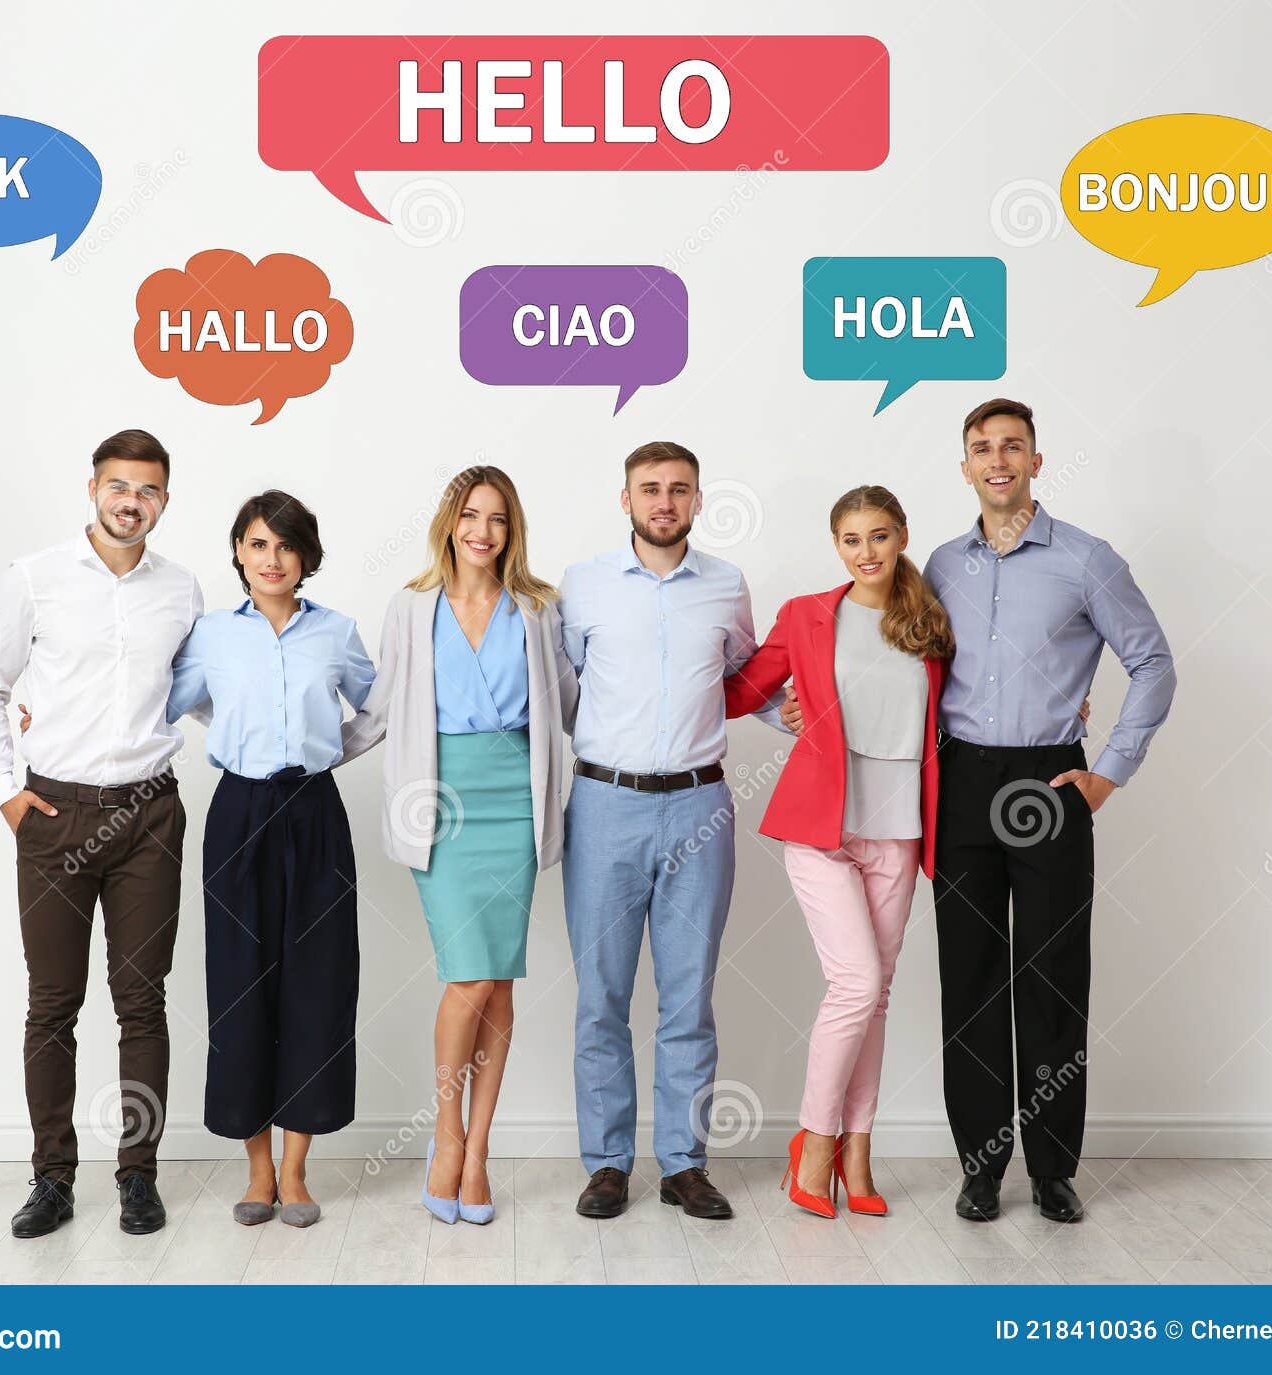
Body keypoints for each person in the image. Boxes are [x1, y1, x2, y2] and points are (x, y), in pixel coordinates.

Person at [923, 398, 1176, 1225]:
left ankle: (1054, 1167)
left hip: (1049, 782)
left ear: (1036, 459)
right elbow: (901, 666)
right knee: (970, 978)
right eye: (981, 448)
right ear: (964, 466)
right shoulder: (938, 565)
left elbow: (1152, 663)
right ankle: (980, 1168)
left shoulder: (1087, 558)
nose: (997, 459)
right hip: (960, 780)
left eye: (1012, 446)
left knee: (1053, 975)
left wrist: (1105, 775)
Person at [0, 428, 201, 1239]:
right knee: (52, 1004)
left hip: (149, 813)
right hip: (55, 815)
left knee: (142, 1001)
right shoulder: (34, 578)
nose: (131, 501)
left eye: (148, 490)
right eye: (118, 486)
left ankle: (139, 1176)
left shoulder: (183, 589)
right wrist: (7, 793)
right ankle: (52, 1179)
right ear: (93, 488)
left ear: (165, 500)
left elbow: (199, 693)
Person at [557, 440, 791, 1221]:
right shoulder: (583, 587)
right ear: (624, 498)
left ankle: (684, 1163)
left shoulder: (726, 585)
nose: (664, 501)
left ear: (698, 500)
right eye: (650, 488)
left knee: (689, 998)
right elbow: (559, 690)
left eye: (679, 489)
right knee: (603, 996)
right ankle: (607, 1163)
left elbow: (745, 676)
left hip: (699, 805)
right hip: (603, 807)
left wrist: (796, 711)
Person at [341, 467, 576, 1225]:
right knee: (469, 977)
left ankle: (477, 1153)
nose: (483, 530)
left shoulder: (540, 608)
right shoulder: (411, 608)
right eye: (471, 515)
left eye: (498, 519)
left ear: (513, 530)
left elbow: (575, 703)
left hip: (515, 797)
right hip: (438, 801)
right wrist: (295, 753)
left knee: (499, 981)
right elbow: (378, 711)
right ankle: (445, 1138)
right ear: (448, 522)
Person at [724, 485, 952, 1219]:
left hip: (900, 829)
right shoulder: (807, 615)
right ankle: (815, 1144)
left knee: (875, 993)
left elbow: (980, 694)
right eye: (852, 540)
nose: (867, 552)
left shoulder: (930, 619)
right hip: (822, 830)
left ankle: (859, 1152)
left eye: (880, 536)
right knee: (855, 983)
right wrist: (781, 711)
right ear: (837, 546)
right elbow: (740, 687)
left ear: (902, 535)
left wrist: (1062, 700)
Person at [164, 490, 374, 1227]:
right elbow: (170, 702)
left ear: (306, 555)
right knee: (241, 982)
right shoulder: (214, 633)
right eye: (257, 544)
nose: (272, 559)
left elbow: (378, 707)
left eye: (285, 546)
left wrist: (324, 755)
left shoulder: (338, 631)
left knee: (318, 982)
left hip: (315, 811)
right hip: (239, 814)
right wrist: (237, 738)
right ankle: (257, 1174)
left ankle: (297, 1171)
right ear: (239, 553)